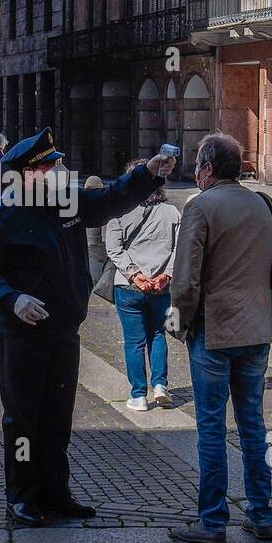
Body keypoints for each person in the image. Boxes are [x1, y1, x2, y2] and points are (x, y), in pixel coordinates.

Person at [0, 128, 174, 526]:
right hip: (22, 333)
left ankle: (56, 493)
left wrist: (148, 172)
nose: (61, 171)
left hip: (64, 330)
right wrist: (13, 299)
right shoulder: (1, 215)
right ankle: (23, 496)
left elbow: (109, 200)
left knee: (58, 416)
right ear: (29, 174)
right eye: (52, 165)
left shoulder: (66, 205)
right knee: (23, 419)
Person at [169, 134, 272, 543]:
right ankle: (261, 516)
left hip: (214, 330)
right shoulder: (264, 204)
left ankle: (212, 522)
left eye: (196, 164)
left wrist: (179, 320)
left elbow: (186, 280)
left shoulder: (200, 207)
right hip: (257, 330)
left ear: (208, 169)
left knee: (211, 427)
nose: (194, 170)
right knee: (253, 426)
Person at [105, 160, 181, 412]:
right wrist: (166, 276)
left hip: (128, 287)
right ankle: (160, 385)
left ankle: (138, 395)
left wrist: (134, 274)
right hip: (161, 286)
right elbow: (178, 249)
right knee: (158, 334)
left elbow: (113, 249)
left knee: (133, 341)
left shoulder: (119, 211)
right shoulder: (172, 212)